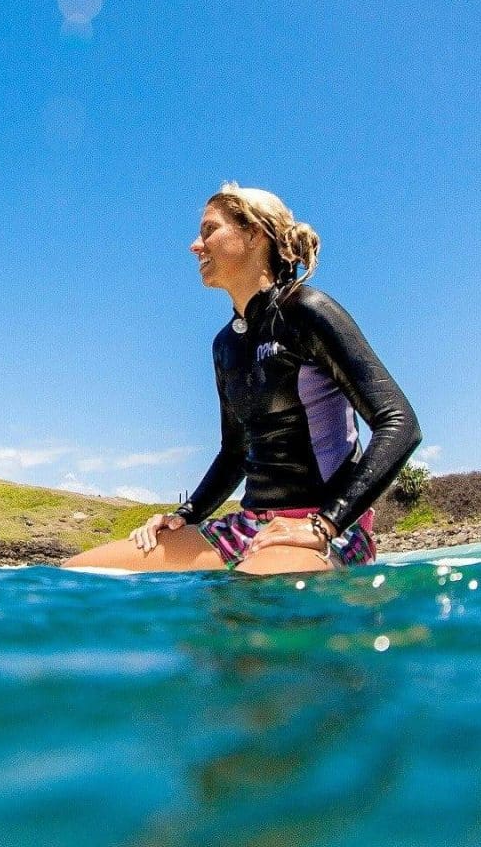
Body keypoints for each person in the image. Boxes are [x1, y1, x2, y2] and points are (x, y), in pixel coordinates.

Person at [63, 183, 420, 577]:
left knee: (254, 597)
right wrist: (185, 514)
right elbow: (234, 452)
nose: (195, 246)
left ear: (253, 234)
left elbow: (400, 423)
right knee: (74, 575)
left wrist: (326, 523)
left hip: (322, 525)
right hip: (248, 526)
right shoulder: (225, 345)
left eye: (209, 230)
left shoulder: (307, 312)